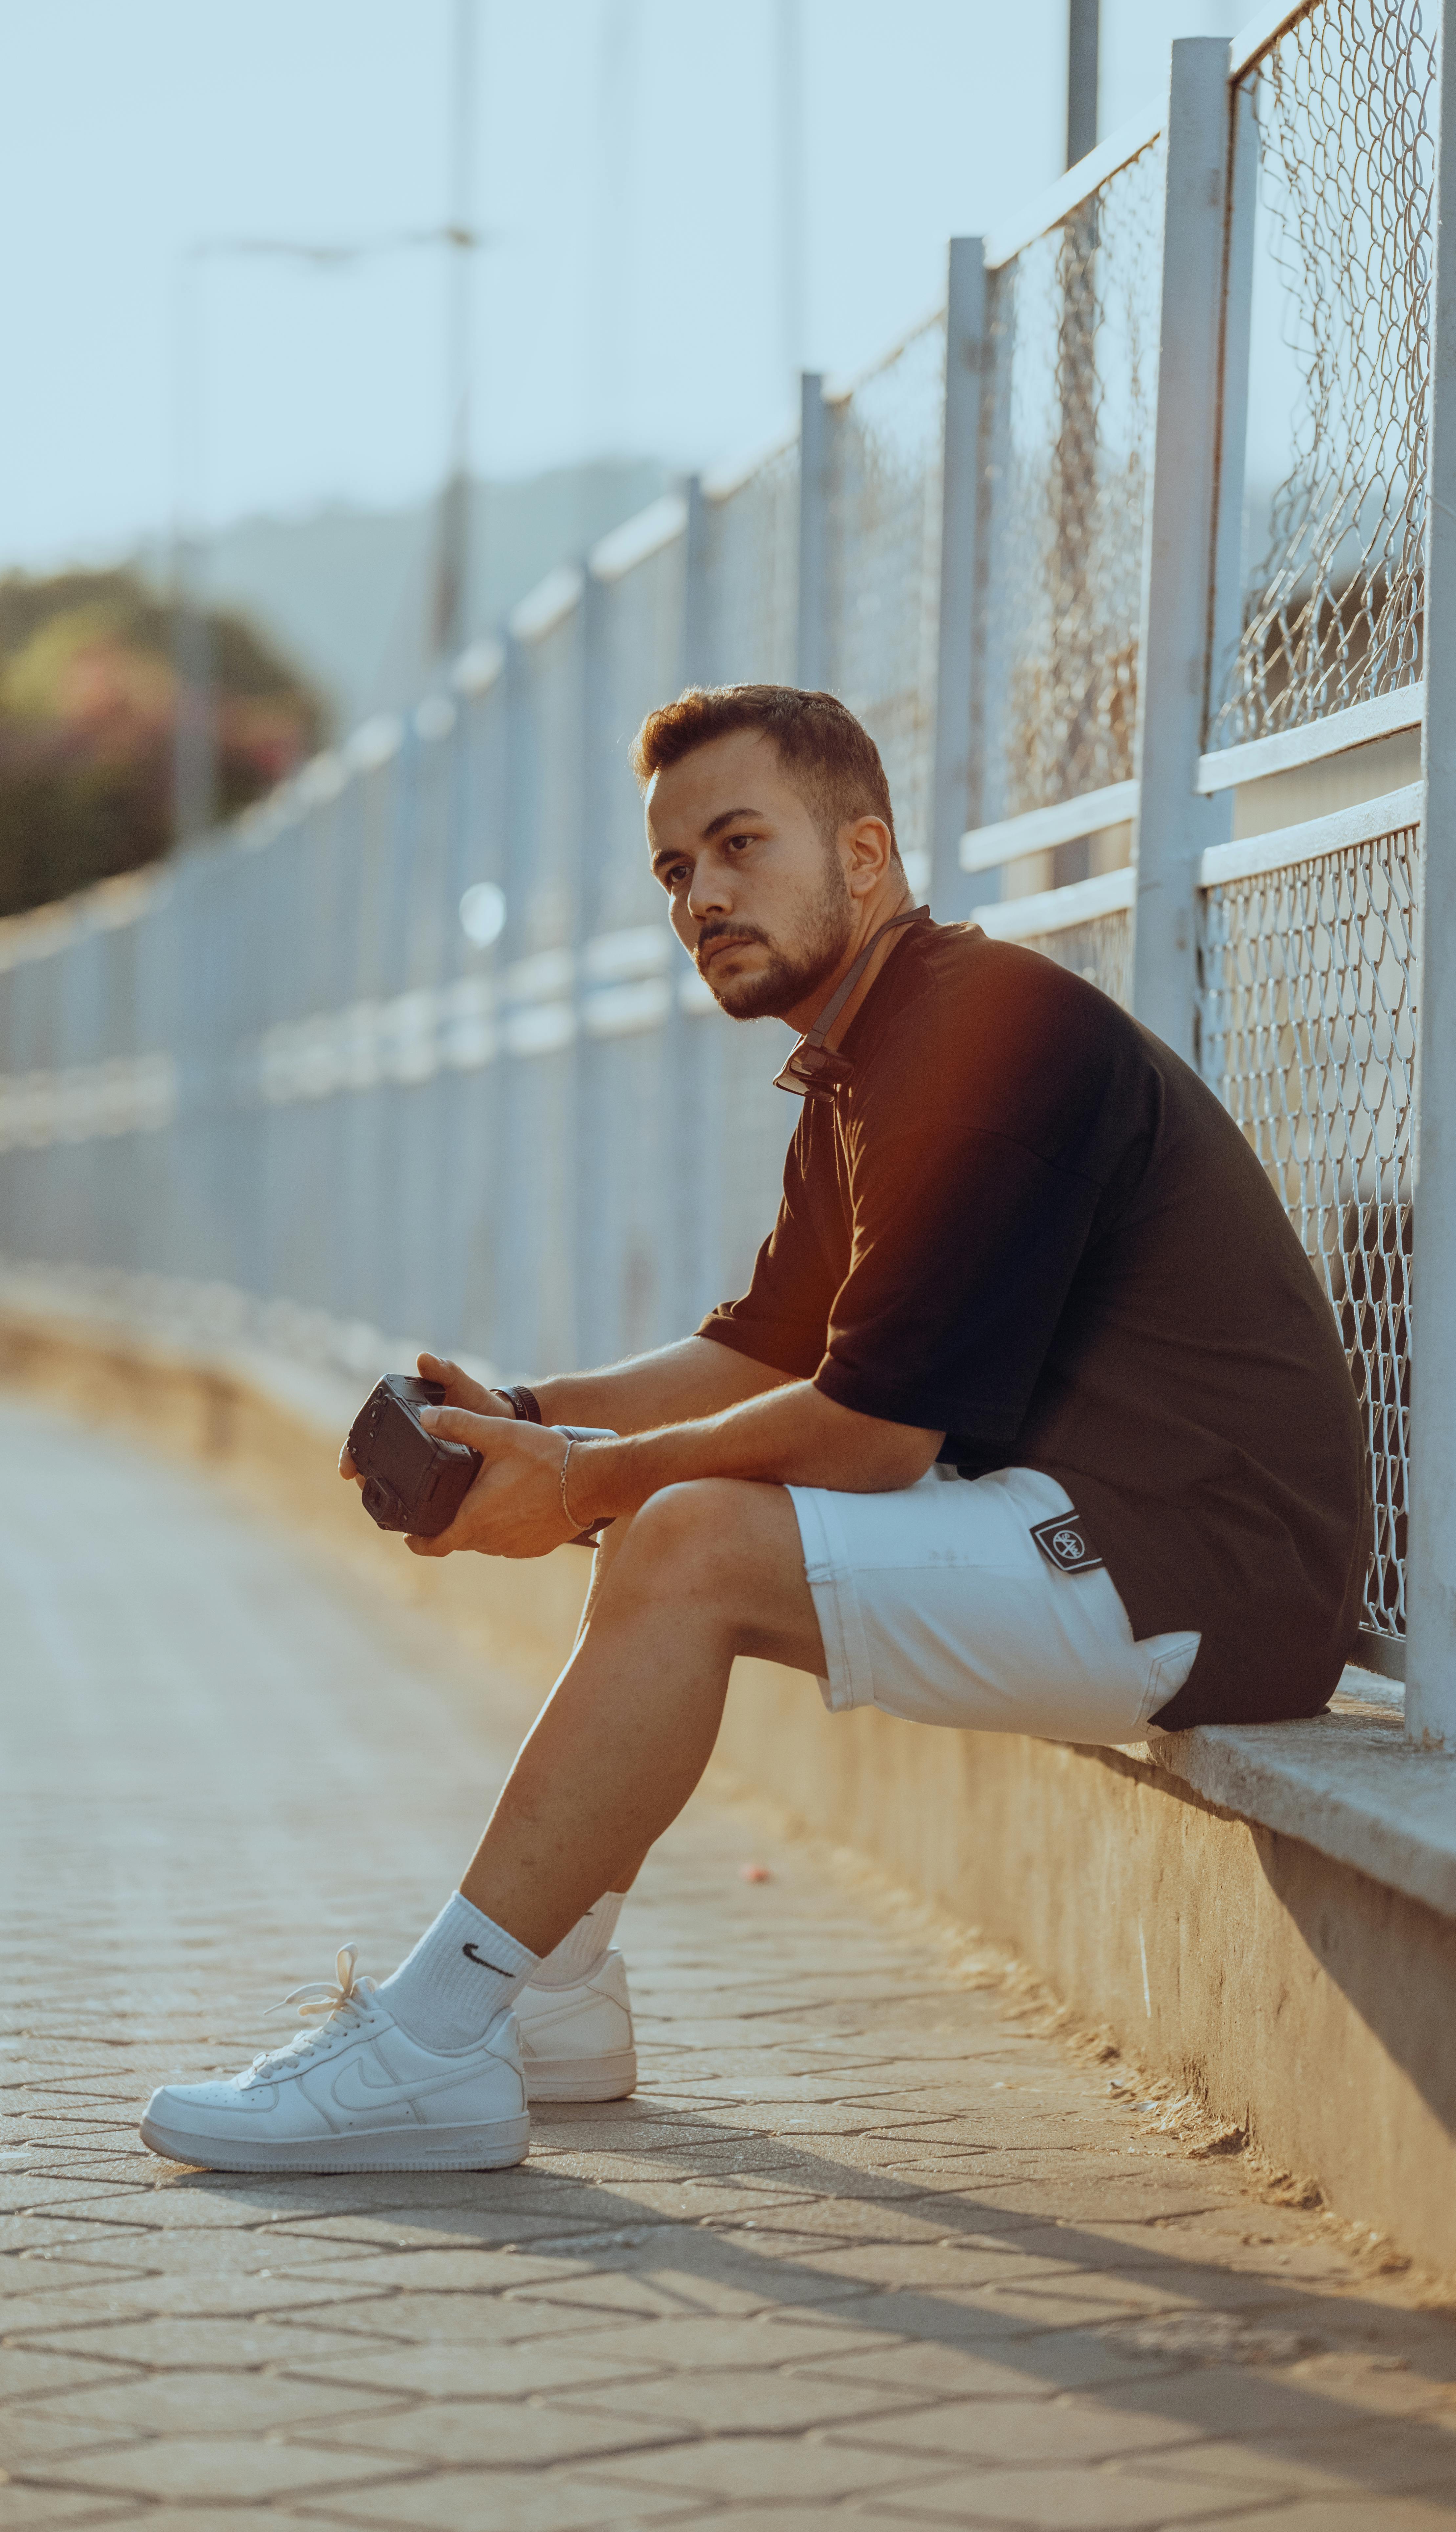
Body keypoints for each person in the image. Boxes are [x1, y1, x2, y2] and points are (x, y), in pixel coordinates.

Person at [140, 684, 1368, 2174]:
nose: (702, 896)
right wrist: (519, 1420)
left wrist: (587, 1481)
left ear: (864, 856)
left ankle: (432, 2042)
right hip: (1096, 1539)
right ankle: (557, 2003)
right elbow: (757, 1353)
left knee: (688, 1536)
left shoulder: (988, 1039)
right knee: (665, 1520)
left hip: (1192, 1574)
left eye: (737, 845)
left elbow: (870, 1439)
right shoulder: (869, 1060)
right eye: (673, 870)